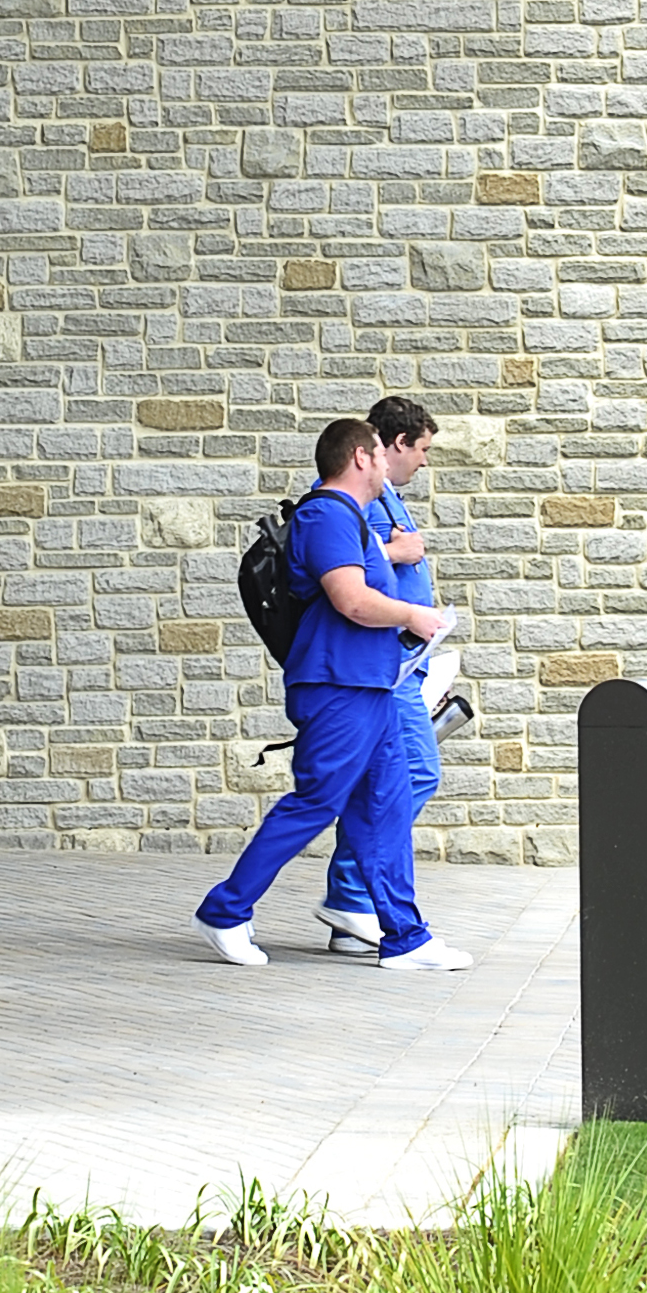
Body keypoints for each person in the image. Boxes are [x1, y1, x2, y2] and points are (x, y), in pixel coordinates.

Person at [196, 414, 475, 971]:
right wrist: (413, 615)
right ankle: (224, 912)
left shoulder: (349, 517)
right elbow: (351, 600)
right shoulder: (325, 515)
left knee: (386, 807)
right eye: (379, 453)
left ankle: (406, 938)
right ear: (360, 458)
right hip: (337, 688)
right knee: (316, 803)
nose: (388, 464)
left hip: (371, 686)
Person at [321, 397, 448, 949]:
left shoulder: (385, 495)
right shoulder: (358, 496)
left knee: (386, 782)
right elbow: (335, 552)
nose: (424, 460)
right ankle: (350, 895)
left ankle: (352, 914)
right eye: (422, 449)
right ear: (396, 444)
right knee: (414, 775)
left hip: (402, 664)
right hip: (384, 668)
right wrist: (397, 552)